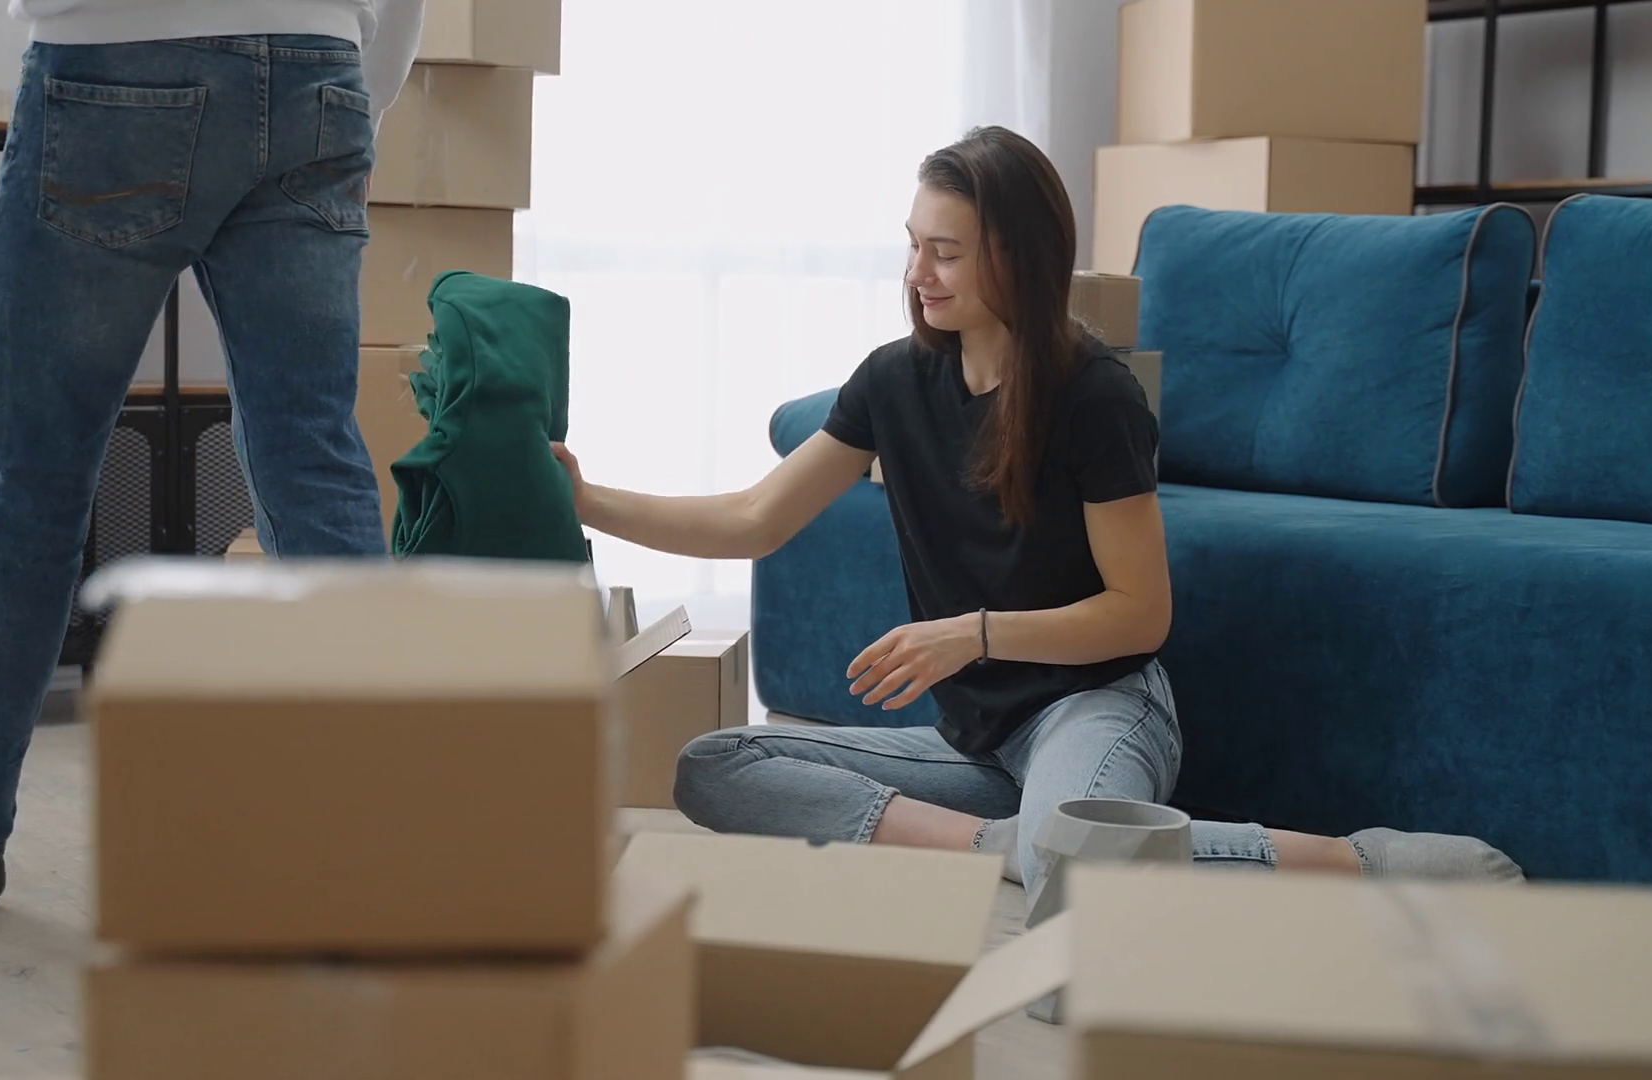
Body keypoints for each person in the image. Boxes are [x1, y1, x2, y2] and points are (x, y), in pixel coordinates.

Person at [552, 126, 1523, 893]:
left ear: (1016, 258)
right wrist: (587, 499)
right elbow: (752, 519)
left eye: (947, 252)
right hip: (976, 749)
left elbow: (1140, 613)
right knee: (716, 766)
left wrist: (969, 635)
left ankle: (1360, 864)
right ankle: (1006, 847)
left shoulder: (1092, 394)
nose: (919, 275)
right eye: (915, 247)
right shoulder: (891, 384)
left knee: (1078, 859)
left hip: (1096, 709)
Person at [0, 0, 426, 905]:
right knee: (314, 460)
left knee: (34, 475)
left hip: (117, 64)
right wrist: (360, 102)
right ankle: (386, 838)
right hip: (315, 69)